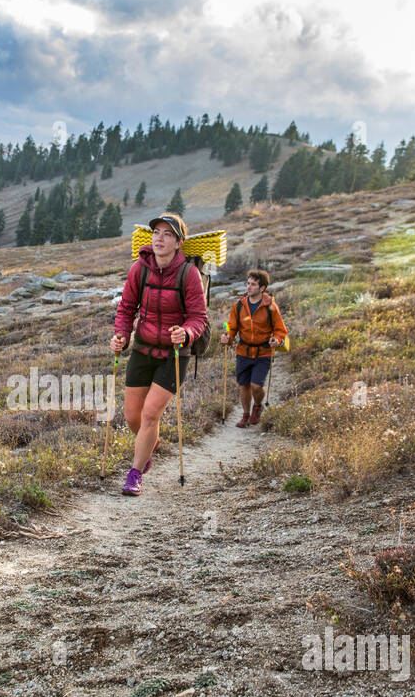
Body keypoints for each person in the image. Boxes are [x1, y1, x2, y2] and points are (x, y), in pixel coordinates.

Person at [110, 212, 208, 495]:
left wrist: (186, 333)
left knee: (151, 413)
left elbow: (198, 317)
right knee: (132, 417)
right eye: (156, 233)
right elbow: (126, 308)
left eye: (167, 234)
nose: (159, 238)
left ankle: (135, 474)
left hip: (175, 354)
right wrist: (121, 335)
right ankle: (149, 443)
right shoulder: (138, 269)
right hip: (142, 349)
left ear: (179, 243)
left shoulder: (189, 273)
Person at [221, 268, 287, 426]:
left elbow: (280, 330)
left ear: (262, 288)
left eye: (253, 285)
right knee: (244, 385)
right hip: (243, 351)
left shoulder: (271, 306)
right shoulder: (239, 305)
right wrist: (227, 336)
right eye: (248, 283)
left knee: (256, 386)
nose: (248, 287)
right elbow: (231, 325)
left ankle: (257, 406)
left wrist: (277, 340)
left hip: (263, 352)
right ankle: (245, 414)